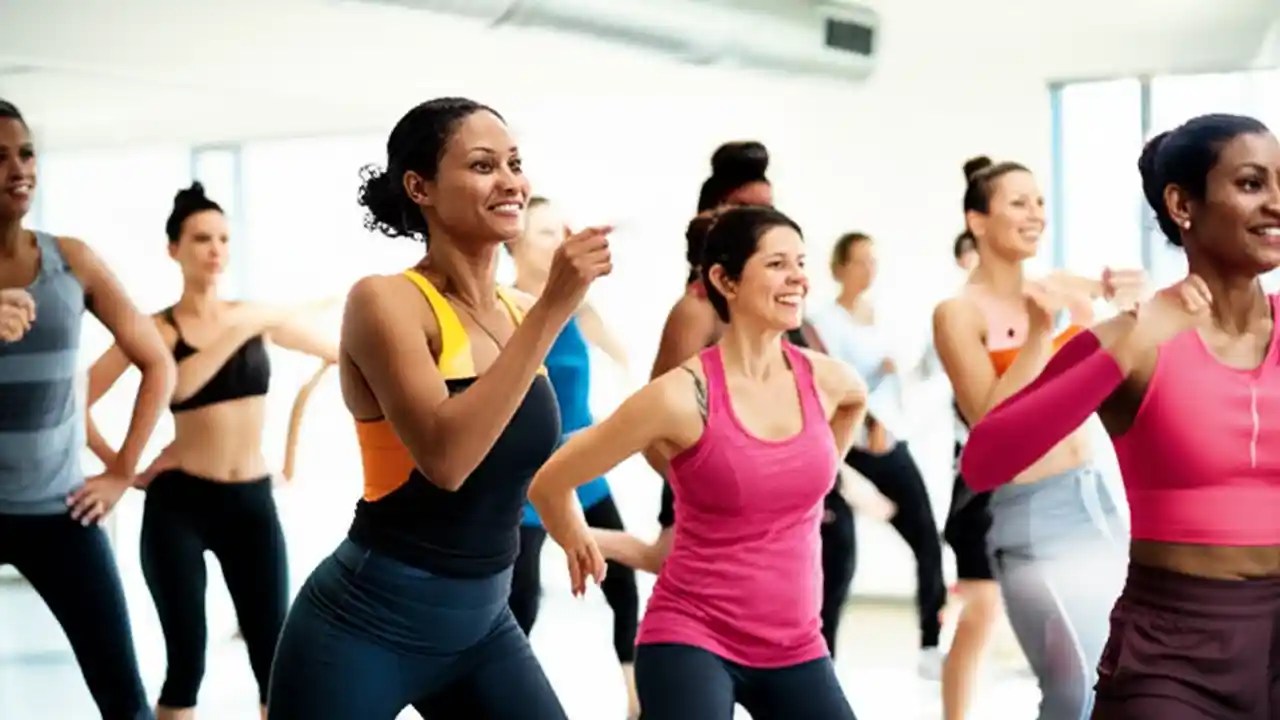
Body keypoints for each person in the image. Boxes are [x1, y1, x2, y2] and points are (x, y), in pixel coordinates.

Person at [266, 97, 612, 720]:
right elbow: (447, 459)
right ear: (419, 187)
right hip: (363, 628)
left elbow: (512, 451)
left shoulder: (511, 310)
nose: (509, 180)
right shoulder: (384, 302)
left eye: (514, 162)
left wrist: (563, 514)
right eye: (482, 165)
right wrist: (553, 307)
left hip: (481, 628)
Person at [962, 113, 1280, 719]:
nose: (1275, 204)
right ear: (1182, 204)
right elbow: (985, 461)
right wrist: (1130, 344)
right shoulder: (1131, 339)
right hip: (1173, 655)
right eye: (1250, 184)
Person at [529, 205, 866, 719]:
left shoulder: (828, 381)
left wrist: (808, 478)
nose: (799, 277)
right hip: (692, 635)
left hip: (796, 644)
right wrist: (576, 538)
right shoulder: (681, 396)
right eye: (777, 264)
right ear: (724, 280)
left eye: (801, 262)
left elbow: (854, 402)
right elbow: (551, 481)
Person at [84, 182, 338, 720]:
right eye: (201, 238)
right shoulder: (157, 328)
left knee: (275, 662)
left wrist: (290, 453)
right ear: (174, 249)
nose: (216, 249)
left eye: (223, 237)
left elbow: (341, 354)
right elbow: (79, 397)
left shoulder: (255, 316)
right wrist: (119, 468)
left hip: (252, 503)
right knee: (186, 667)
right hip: (180, 506)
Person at [933, 155, 1141, 720]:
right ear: (978, 221)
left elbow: (1125, 365)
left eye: (1040, 202)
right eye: (1018, 203)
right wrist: (1037, 336)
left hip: (1092, 495)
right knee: (1074, 686)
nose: (1035, 214)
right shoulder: (957, 312)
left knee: (1124, 669)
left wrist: (1132, 306)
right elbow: (991, 428)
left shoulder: (1063, 290)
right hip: (1031, 513)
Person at [0, 98, 176, 720]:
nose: (17, 168)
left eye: (24, 153)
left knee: (125, 703)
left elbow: (157, 361)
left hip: (60, 513)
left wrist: (123, 470)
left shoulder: (72, 259)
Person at [504, 195, 639, 717]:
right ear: (514, 241)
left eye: (561, 232)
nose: (558, 241)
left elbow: (630, 364)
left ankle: (635, 700)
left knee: (622, 584)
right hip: (531, 479)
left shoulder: (581, 308)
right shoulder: (505, 307)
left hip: (587, 469)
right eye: (544, 232)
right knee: (521, 603)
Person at [809, 231, 948, 678]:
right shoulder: (822, 322)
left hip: (890, 443)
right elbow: (829, 387)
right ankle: (822, 655)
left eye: (874, 260)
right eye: (861, 260)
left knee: (927, 539)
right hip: (846, 448)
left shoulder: (885, 319)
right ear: (839, 267)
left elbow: (906, 378)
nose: (870, 269)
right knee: (839, 555)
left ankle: (931, 644)